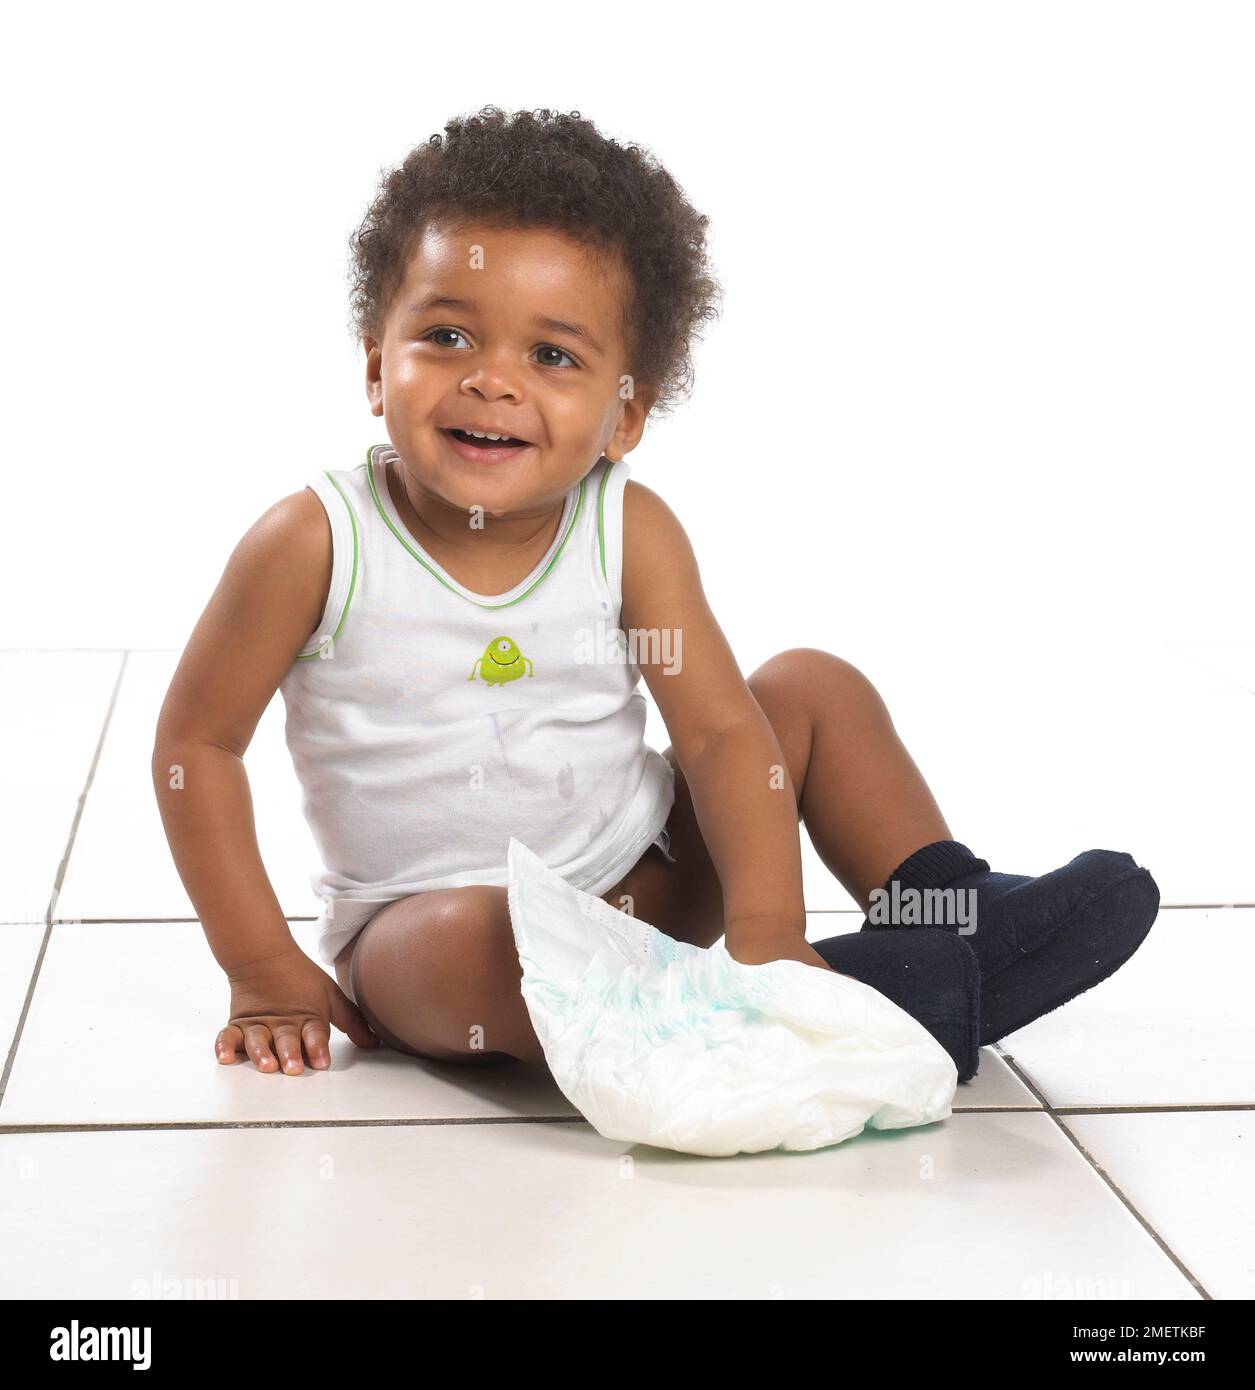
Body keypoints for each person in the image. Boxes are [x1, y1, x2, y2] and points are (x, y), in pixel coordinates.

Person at [152, 106, 1159, 1088]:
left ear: (623, 415)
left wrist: (765, 922)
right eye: (448, 338)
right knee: (471, 934)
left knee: (806, 688)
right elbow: (197, 748)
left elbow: (721, 735)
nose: (492, 382)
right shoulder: (314, 542)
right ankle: (815, 1013)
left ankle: (947, 919)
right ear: (378, 365)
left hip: (643, 884)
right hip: (434, 940)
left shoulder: (625, 529)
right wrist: (260, 966)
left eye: (551, 356)